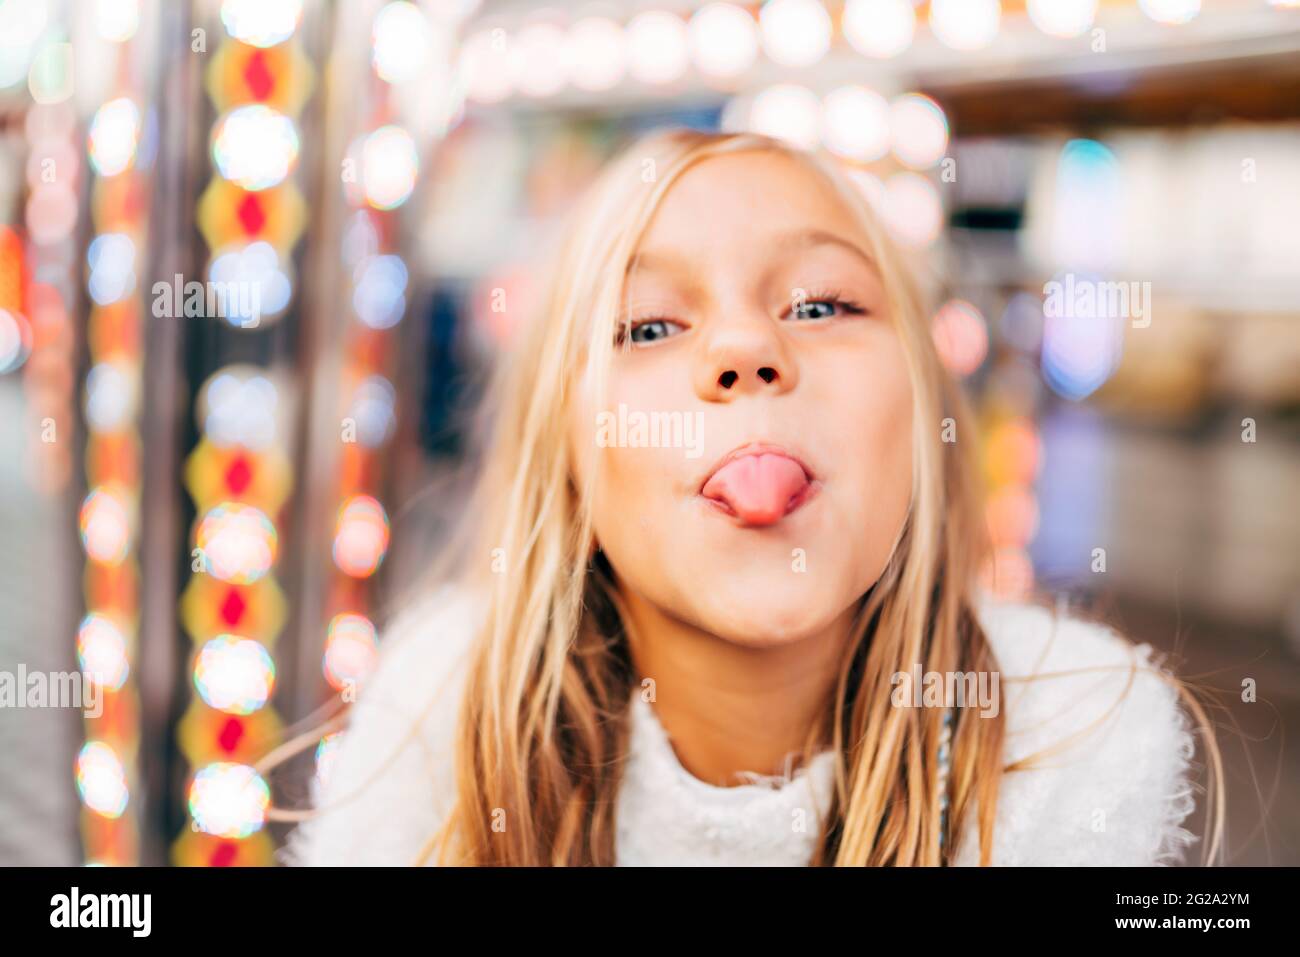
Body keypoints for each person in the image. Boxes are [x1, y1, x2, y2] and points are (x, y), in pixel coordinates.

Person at [280, 129, 1221, 866]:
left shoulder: (1073, 742)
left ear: (925, 415)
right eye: (647, 325)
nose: (744, 349)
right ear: (563, 453)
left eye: (819, 305)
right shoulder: (436, 721)